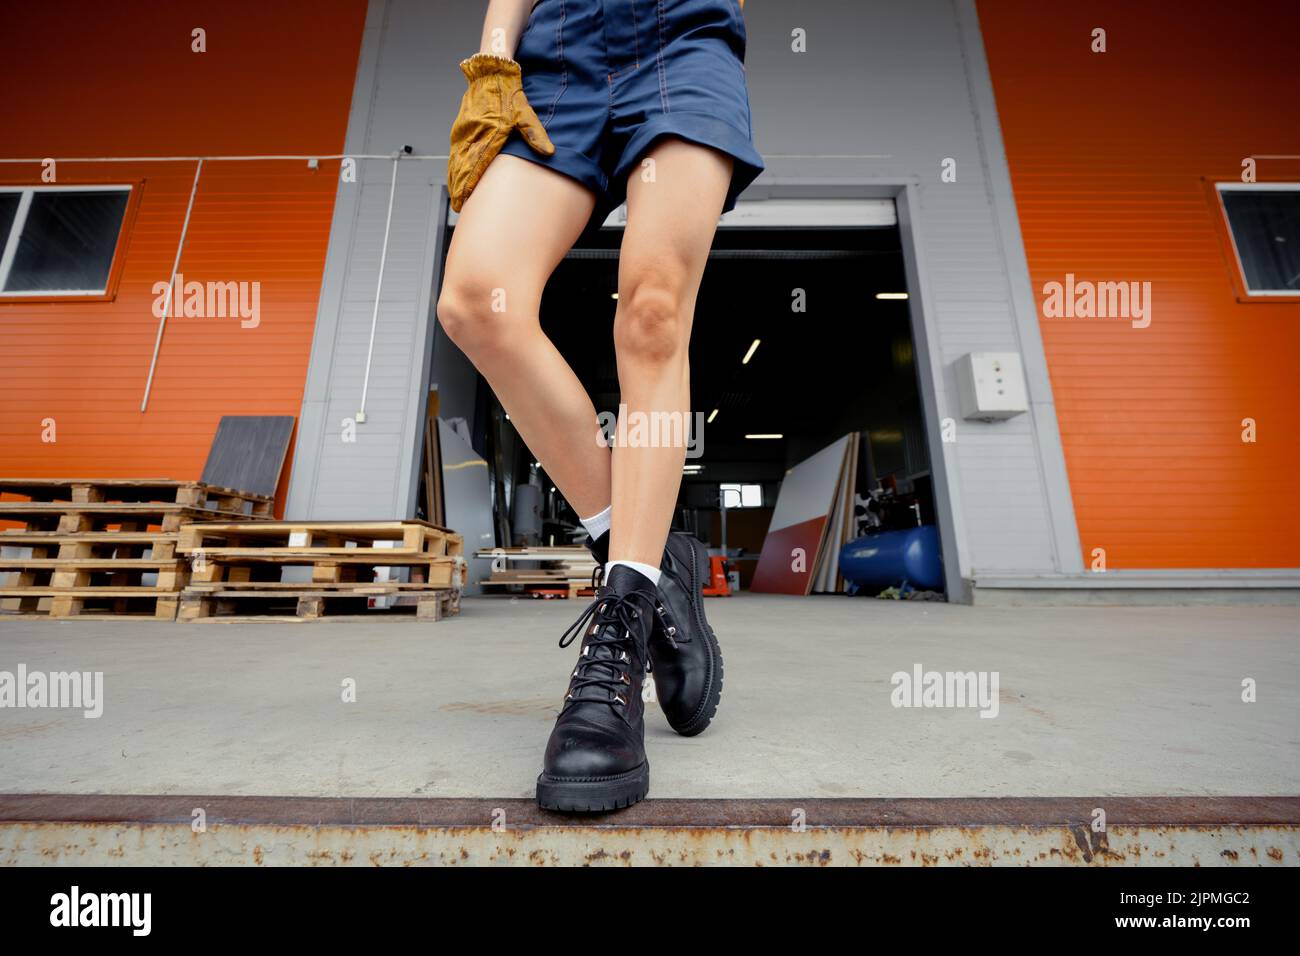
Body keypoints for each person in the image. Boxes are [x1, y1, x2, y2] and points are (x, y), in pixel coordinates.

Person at [437, 0, 763, 811]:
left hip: (682, 38)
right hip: (555, 58)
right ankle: (649, 560)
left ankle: (622, 614)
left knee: (652, 310)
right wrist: (493, 60)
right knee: (478, 303)